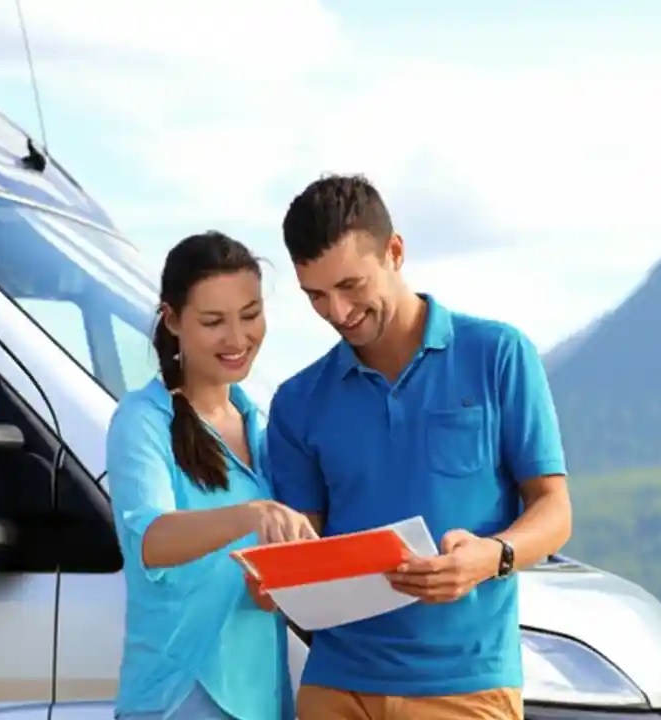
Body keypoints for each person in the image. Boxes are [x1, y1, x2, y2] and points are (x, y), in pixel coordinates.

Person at [265, 175, 574, 720]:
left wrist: (490, 558)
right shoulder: (296, 402)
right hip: (335, 686)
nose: (337, 311)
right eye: (316, 295)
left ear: (395, 252)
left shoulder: (498, 355)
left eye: (351, 285)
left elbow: (554, 509)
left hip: (465, 686)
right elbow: (304, 551)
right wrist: (276, 577)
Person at [106, 231, 314, 720]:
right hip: (180, 697)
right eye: (213, 322)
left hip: (262, 697)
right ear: (172, 319)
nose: (237, 339)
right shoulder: (143, 420)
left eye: (250, 314)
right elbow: (149, 541)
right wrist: (250, 514)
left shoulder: (261, 426)